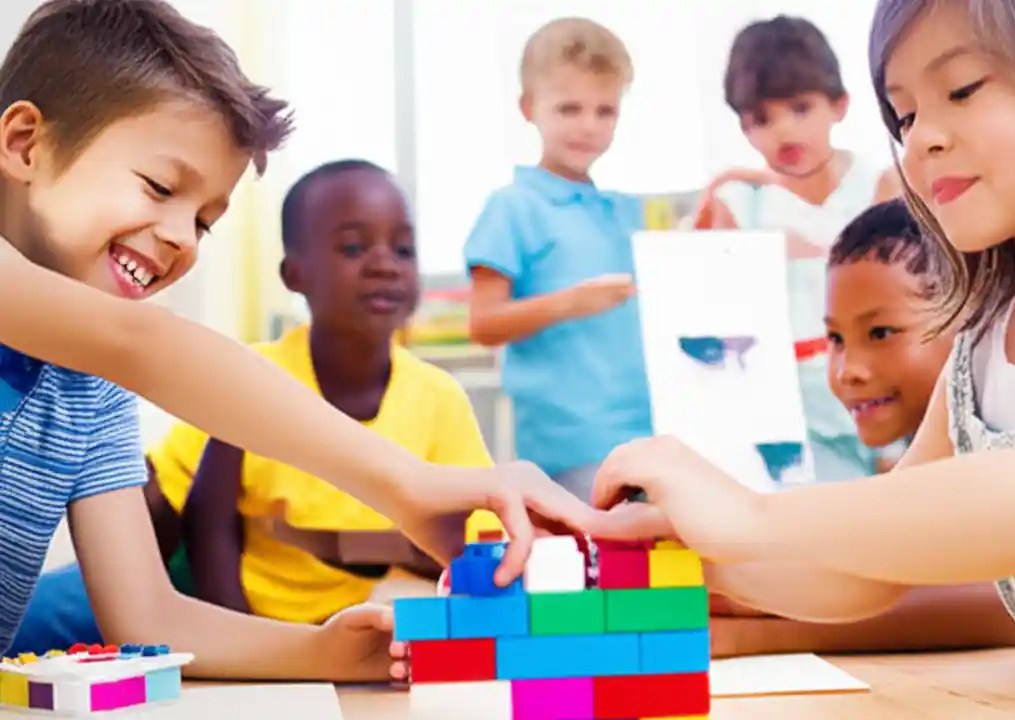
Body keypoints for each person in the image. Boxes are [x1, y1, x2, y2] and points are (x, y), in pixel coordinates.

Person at [587, 0, 1015, 713]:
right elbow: (862, 575)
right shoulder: (980, 347)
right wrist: (692, 559)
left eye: (963, 89)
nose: (921, 142)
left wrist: (754, 516)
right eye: (906, 114)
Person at [0, 0, 597, 676]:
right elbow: (142, 344)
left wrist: (333, 652)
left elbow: (149, 618)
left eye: (203, 220)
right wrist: (408, 485)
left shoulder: (91, 388)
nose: (178, 236)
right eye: (159, 186)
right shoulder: (118, 346)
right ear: (25, 143)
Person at [12, 159, 490, 652]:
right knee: (49, 608)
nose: (385, 264)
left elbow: (464, 542)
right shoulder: (255, 378)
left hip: (304, 612)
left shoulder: (438, 398)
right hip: (185, 565)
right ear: (295, 273)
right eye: (353, 247)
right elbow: (200, 526)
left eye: (404, 249)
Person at [710, 198, 1015, 656]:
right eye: (835, 339)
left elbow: (1013, 604)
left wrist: (756, 634)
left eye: (880, 333)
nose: (846, 370)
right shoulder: (913, 479)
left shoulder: (1011, 448)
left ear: (972, 316)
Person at [691, 16, 902, 482]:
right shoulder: (740, 204)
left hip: (887, 398)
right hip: (787, 417)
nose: (784, 131)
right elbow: (703, 307)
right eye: (762, 119)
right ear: (743, 129)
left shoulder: (881, 186)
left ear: (839, 105)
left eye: (801, 108)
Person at [464, 17, 651, 501]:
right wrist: (571, 302)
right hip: (569, 446)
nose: (588, 126)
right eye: (569, 108)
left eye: (605, 111)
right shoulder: (513, 207)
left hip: (648, 434)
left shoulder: (623, 213)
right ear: (529, 108)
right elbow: (483, 323)